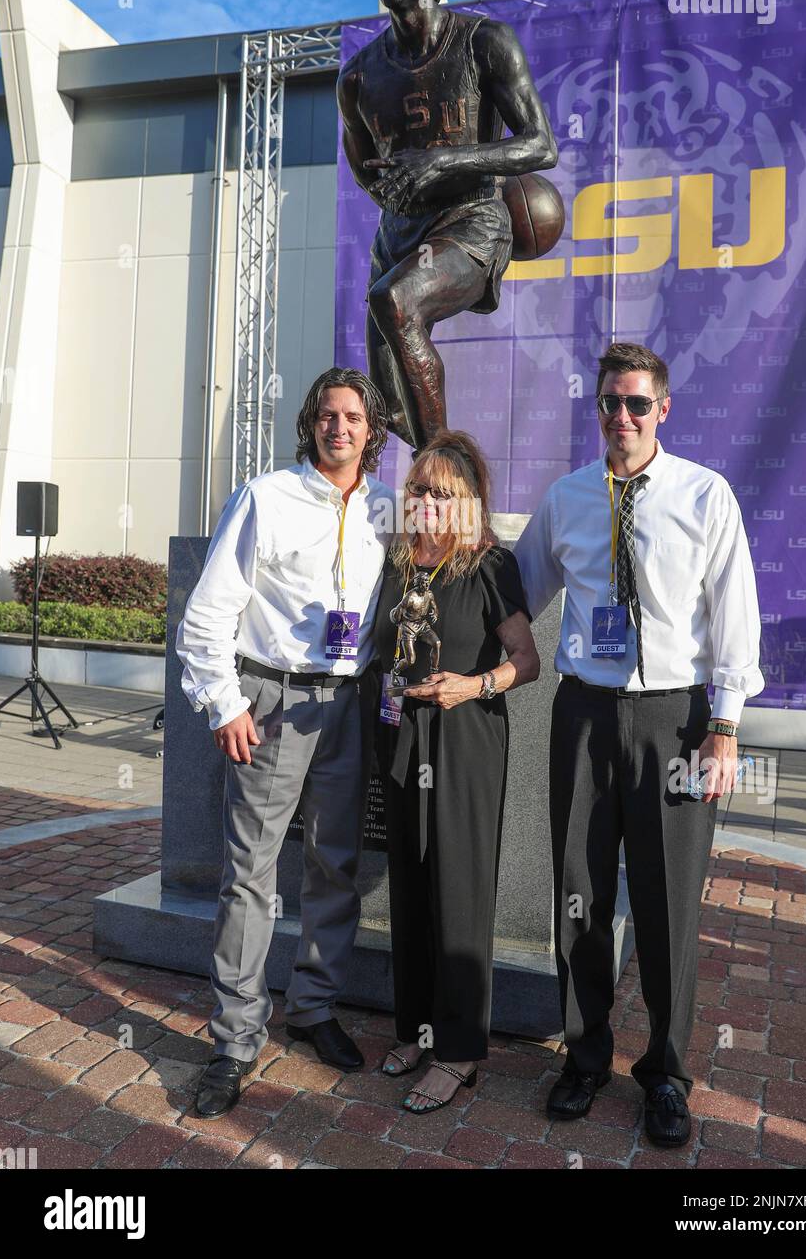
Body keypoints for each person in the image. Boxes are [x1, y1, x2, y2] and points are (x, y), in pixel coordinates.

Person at [515, 342, 764, 1147]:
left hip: (678, 723)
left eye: (637, 405)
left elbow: (734, 618)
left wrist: (725, 727)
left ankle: (665, 1073)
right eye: (610, 404)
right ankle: (585, 1059)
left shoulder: (704, 495)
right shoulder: (566, 499)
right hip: (584, 716)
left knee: (666, 908)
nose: (621, 418)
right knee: (579, 893)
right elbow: (518, 591)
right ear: (596, 408)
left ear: (663, 410)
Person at [175, 368, 394, 1118]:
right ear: (311, 425)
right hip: (271, 702)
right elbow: (205, 616)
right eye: (328, 415)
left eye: (355, 417)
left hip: (350, 703)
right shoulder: (265, 497)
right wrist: (225, 706)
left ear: (373, 430)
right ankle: (235, 1040)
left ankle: (314, 1007)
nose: (341, 427)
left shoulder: (384, 513)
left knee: (336, 864)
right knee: (251, 872)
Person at [337, 0, 558, 449]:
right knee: (386, 407)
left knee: (396, 301)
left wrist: (442, 163)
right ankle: (443, 481)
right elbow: (364, 165)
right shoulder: (358, 77)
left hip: (471, 218)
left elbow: (540, 145)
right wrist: (395, 187)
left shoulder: (485, 42)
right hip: (399, 235)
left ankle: (446, 477)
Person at [371, 430, 540, 1112]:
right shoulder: (397, 561)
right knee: (409, 887)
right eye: (418, 490)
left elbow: (527, 662)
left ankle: (462, 1051)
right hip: (403, 738)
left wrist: (472, 687)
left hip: (466, 741)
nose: (426, 503)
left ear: (467, 501)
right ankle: (415, 1028)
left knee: (459, 893)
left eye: (440, 493)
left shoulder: (490, 565)